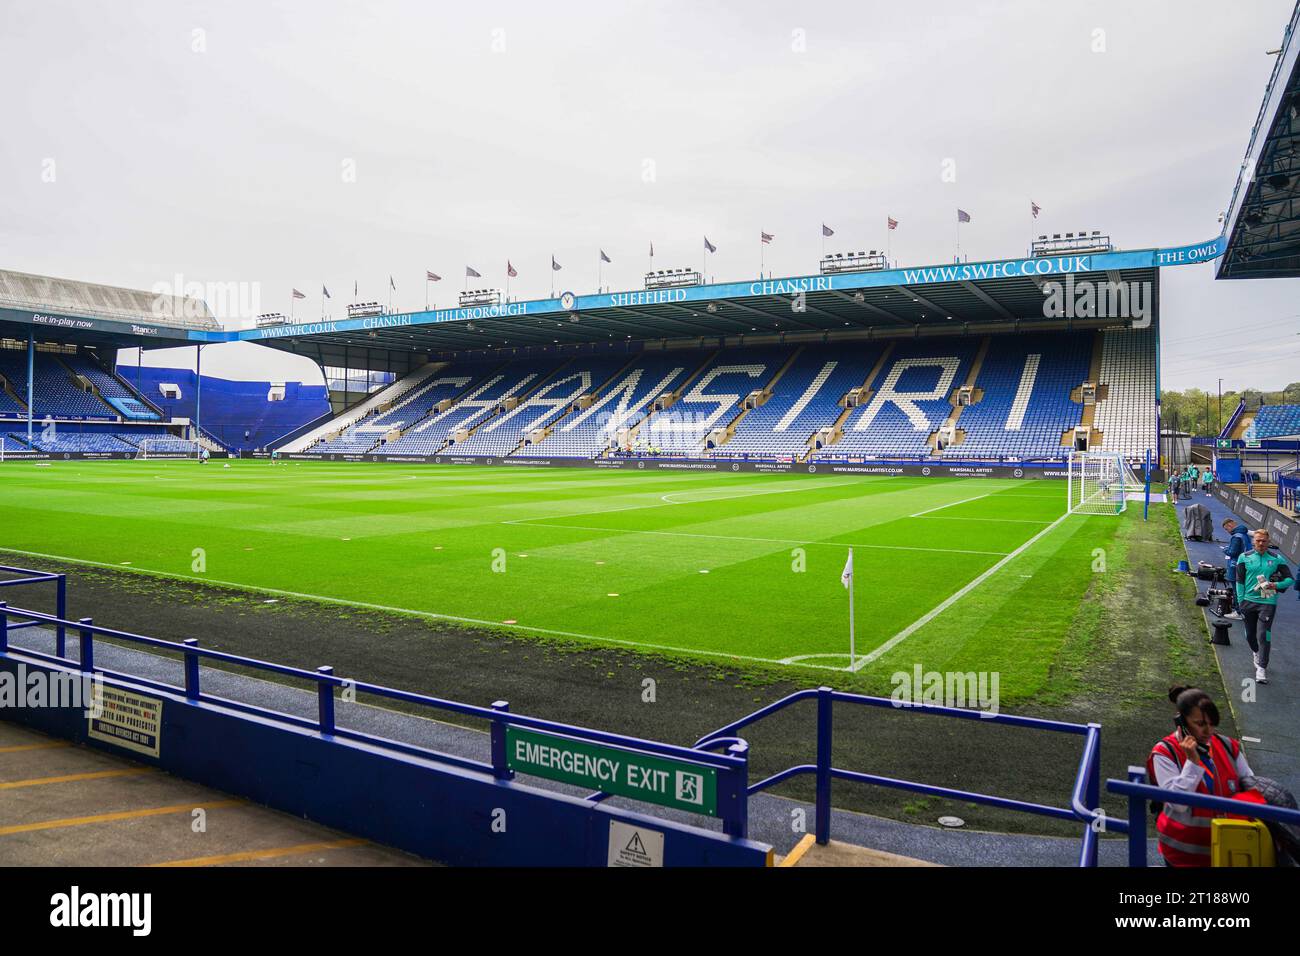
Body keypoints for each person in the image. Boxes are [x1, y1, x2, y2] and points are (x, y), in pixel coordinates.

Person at [1149, 686, 1255, 867]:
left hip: (1227, 852)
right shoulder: (1164, 753)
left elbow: (1253, 788)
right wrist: (1192, 763)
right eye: (1200, 724)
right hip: (1183, 855)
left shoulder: (1228, 746)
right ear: (1181, 722)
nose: (1208, 731)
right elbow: (1178, 803)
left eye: (1212, 723)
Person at [1235, 529, 1293, 684]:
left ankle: (1262, 668)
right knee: (1250, 635)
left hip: (1267, 602)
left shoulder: (1277, 559)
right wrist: (1241, 601)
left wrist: (1275, 584)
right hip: (1248, 601)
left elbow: (1289, 580)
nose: (1261, 543)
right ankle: (1255, 652)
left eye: (1264, 541)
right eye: (1258, 540)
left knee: (1263, 635)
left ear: (1268, 542)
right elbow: (1239, 581)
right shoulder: (1244, 557)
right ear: (1254, 541)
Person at [1221, 518, 1253, 620]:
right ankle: (1245, 610)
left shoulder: (1236, 537)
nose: (1228, 531)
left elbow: (1232, 552)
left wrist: (1225, 549)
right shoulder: (1245, 534)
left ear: (1230, 525)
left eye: (1227, 529)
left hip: (1236, 566)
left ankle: (1238, 612)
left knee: (1237, 590)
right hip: (1245, 565)